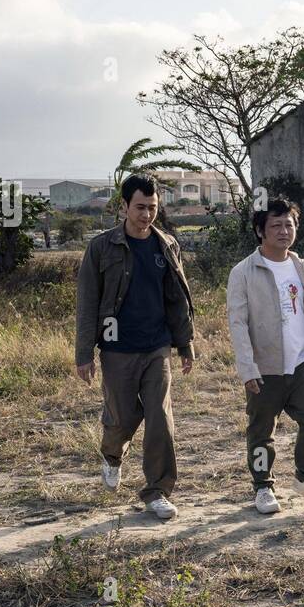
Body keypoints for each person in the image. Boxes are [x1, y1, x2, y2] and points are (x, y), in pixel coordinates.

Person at [74, 173, 194, 520]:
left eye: (152, 207)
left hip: (157, 347)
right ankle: (112, 455)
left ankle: (157, 490)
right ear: (123, 206)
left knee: (160, 418)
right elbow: (87, 303)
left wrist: (184, 344)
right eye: (140, 207)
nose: (146, 215)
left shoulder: (167, 245)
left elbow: (177, 300)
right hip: (116, 347)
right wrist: (84, 355)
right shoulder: (101, 247)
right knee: (122, 417)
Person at [226, 197, 304, 514]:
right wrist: (247, 368)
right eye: (275, 225)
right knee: (262, 431)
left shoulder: (301, 267)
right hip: (265, 366)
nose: (284, 231)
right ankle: (262, 487)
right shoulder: (243, 272)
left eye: (289, 224)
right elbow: (238, 323)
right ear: (260, 231)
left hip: (302, 362)